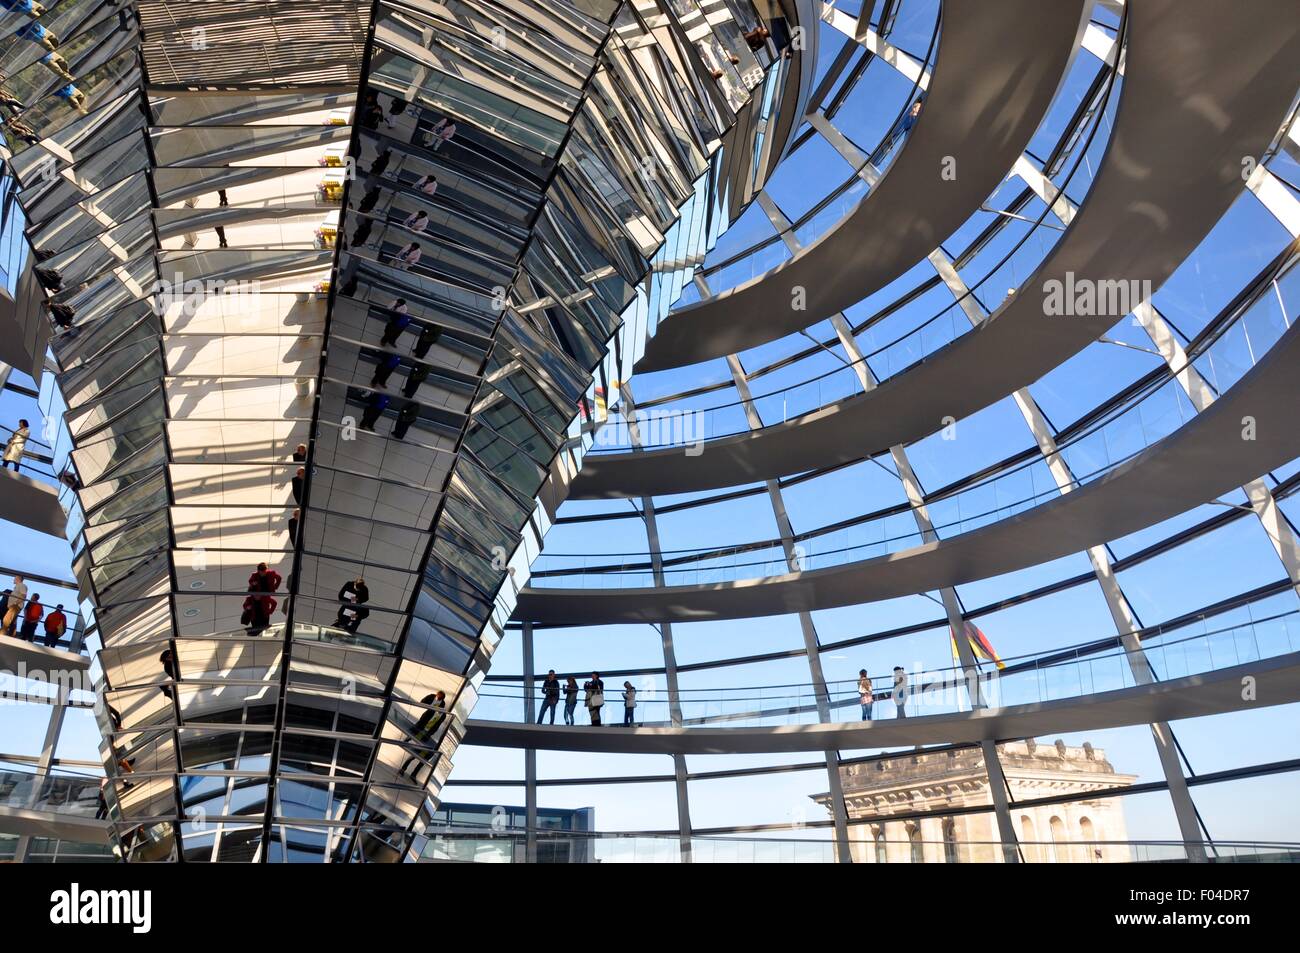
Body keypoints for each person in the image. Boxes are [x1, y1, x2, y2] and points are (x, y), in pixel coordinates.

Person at [400, 690, 447, 778]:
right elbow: (423, 702)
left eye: (440, 699)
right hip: (423, 722)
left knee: (417, 751)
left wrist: (431, 733)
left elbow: (438, 725)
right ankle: (406, 740)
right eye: (438, 698)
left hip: (427, 732)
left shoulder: (443, 713)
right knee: (413, 732)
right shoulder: (432, 698)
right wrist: (429, 706)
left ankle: (408, 772)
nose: (439, 700)